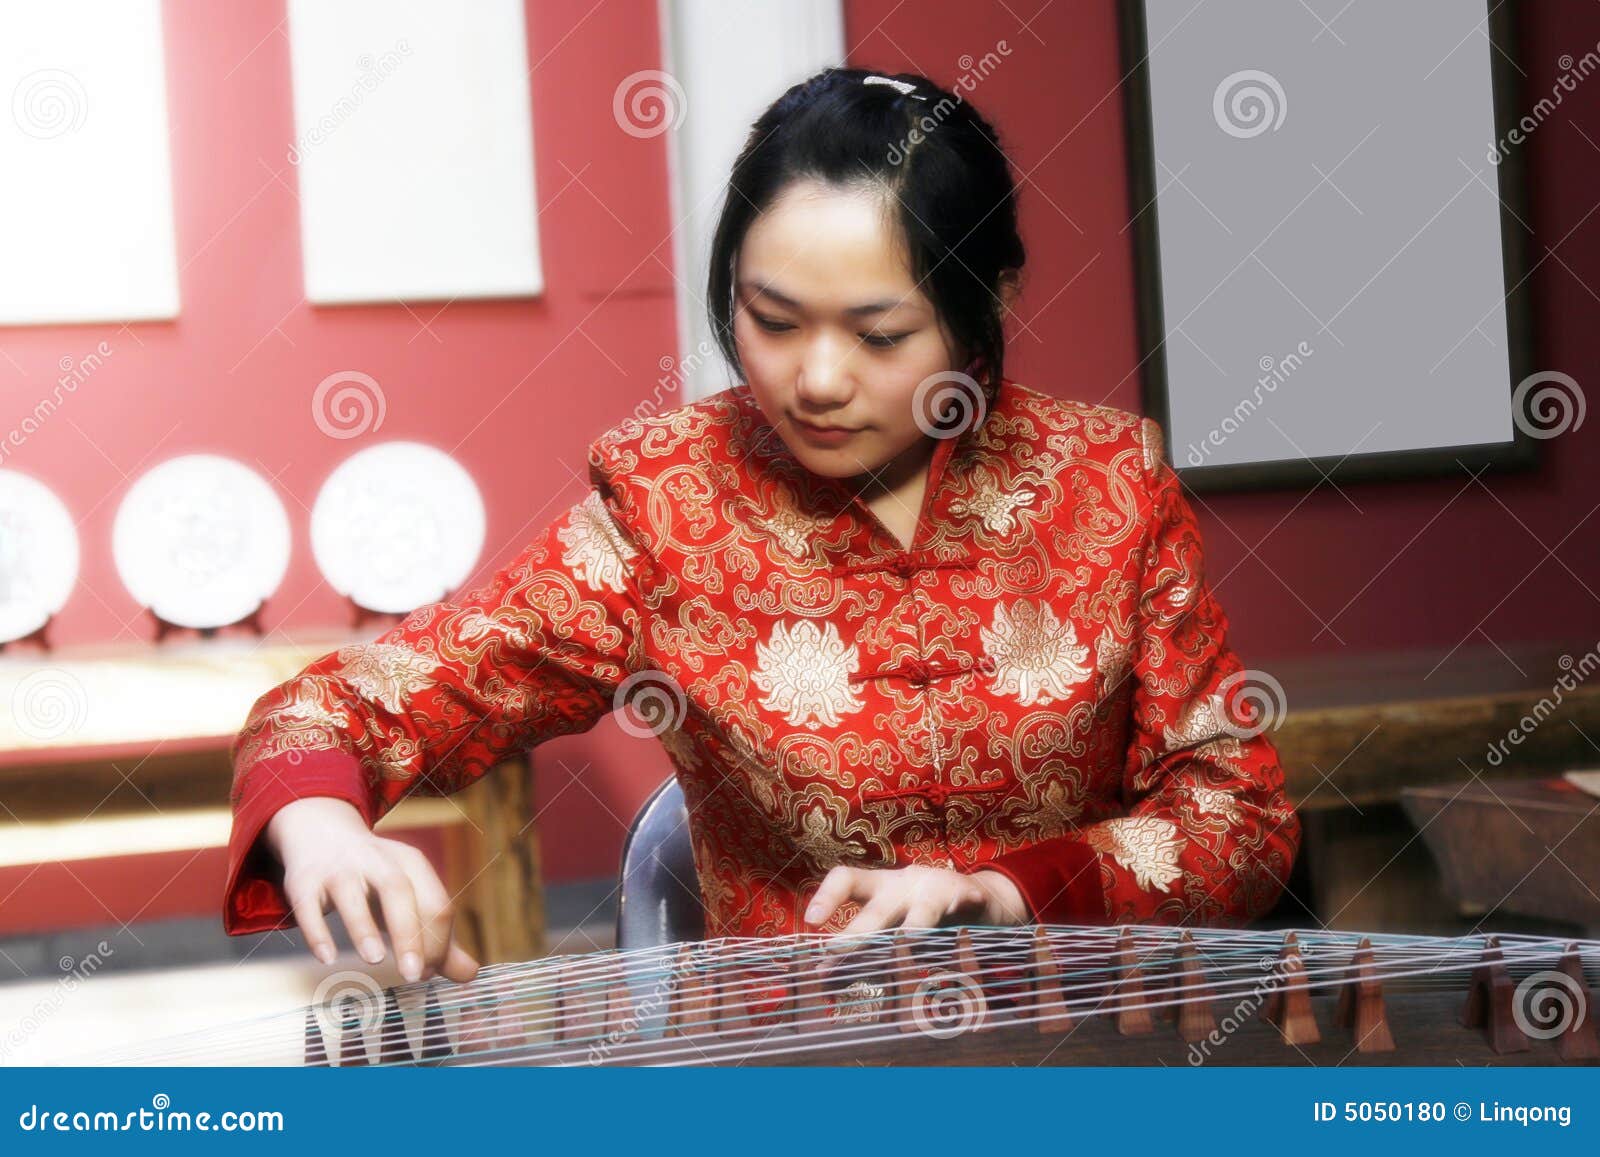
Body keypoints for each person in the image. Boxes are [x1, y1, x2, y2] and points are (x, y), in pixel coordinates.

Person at [223, 67, 1301, 985]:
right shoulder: (667, 505)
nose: (817, 379)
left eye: (879, 336)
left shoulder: (1104, 483)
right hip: (801, 1068)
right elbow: (340, 703)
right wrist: (323, 826)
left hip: (1087, 1048)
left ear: (987, 303)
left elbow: (1237, 819)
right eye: (772, 321)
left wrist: (1005, 890)